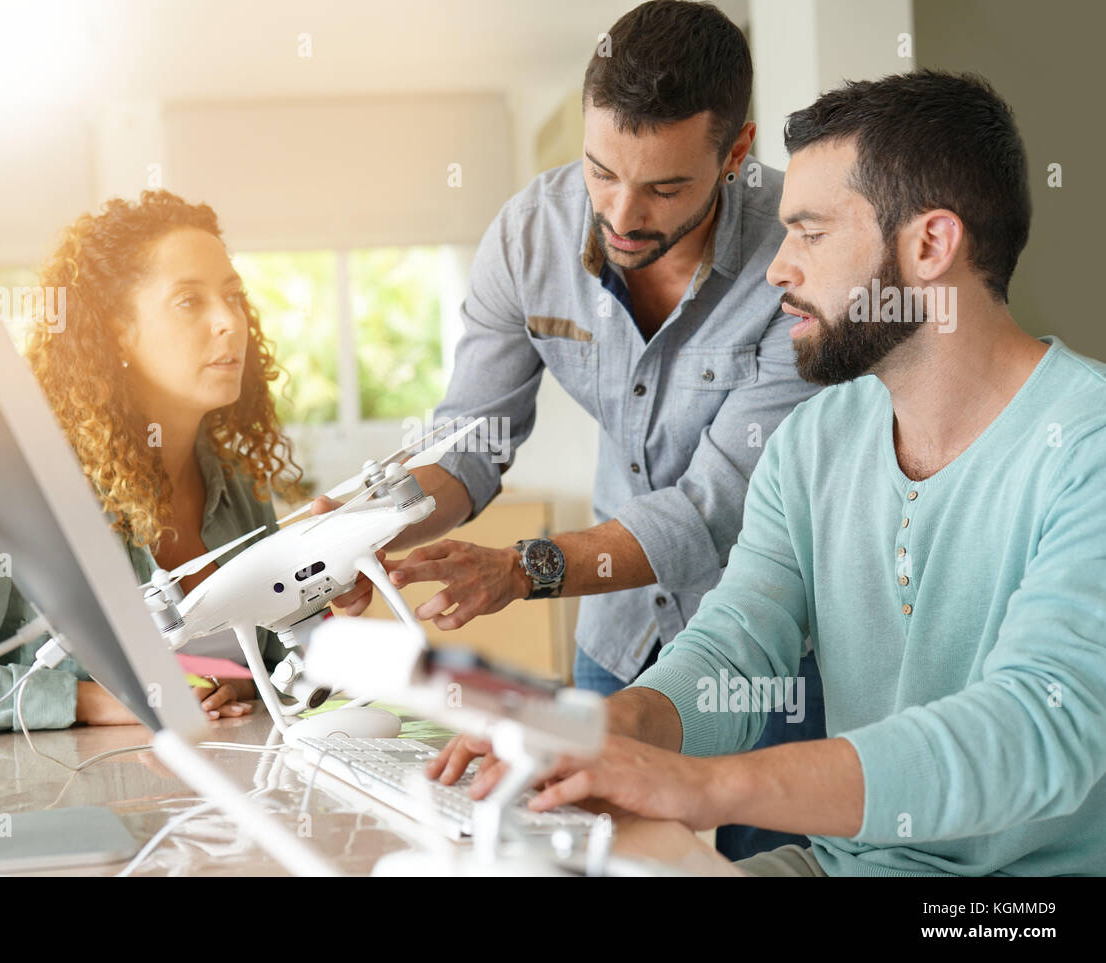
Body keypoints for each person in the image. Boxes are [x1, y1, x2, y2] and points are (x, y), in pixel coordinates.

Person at [428, 70, 1106, 876]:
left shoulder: (1086, 446)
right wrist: (604, 729)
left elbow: (1037, 730)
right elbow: (736, 648)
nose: (779, 268)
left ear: (930, 245)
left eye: (811, 234)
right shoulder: (815, 439)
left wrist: (704, 788)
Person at [329, 0, 823, 860]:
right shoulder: (531, 237)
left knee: (760, 862)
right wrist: (365, 533)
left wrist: (528, 569)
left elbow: (716, 507)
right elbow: (471, 445)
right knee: (589, 856)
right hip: (617, 630)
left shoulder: (798, 256)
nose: (622, 213)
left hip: (768, 645)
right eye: (601, 172)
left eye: (664, 187)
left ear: (736, 153)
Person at [0, 190, 302, 738]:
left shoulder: (241, 490)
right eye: (188, 301)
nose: (229, 322)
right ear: (116, 332)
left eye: (233, 296)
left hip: (232, 798)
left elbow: (272, 662)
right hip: (95, 811)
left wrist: (243, 678)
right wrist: (86, 700)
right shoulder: (30, 501)